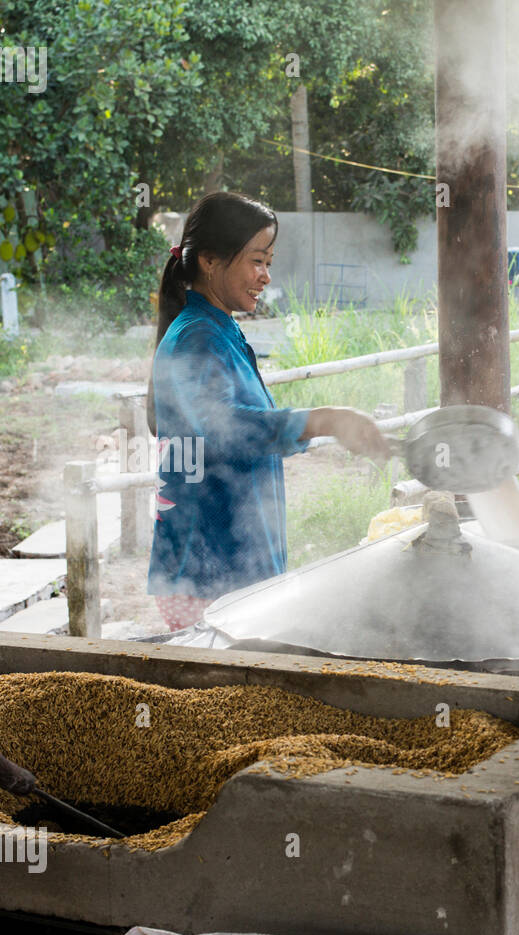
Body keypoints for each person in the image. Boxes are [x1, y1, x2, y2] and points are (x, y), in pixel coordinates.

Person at [146, 191, 390, 630]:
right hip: (207, 570)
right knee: (228, 696)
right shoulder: (195, 338)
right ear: (209, 260)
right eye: (257, 261)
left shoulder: (220, 330)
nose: (265, 276)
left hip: (234, 560)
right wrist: (325, 419)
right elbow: (229, 429)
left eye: (269, 262)